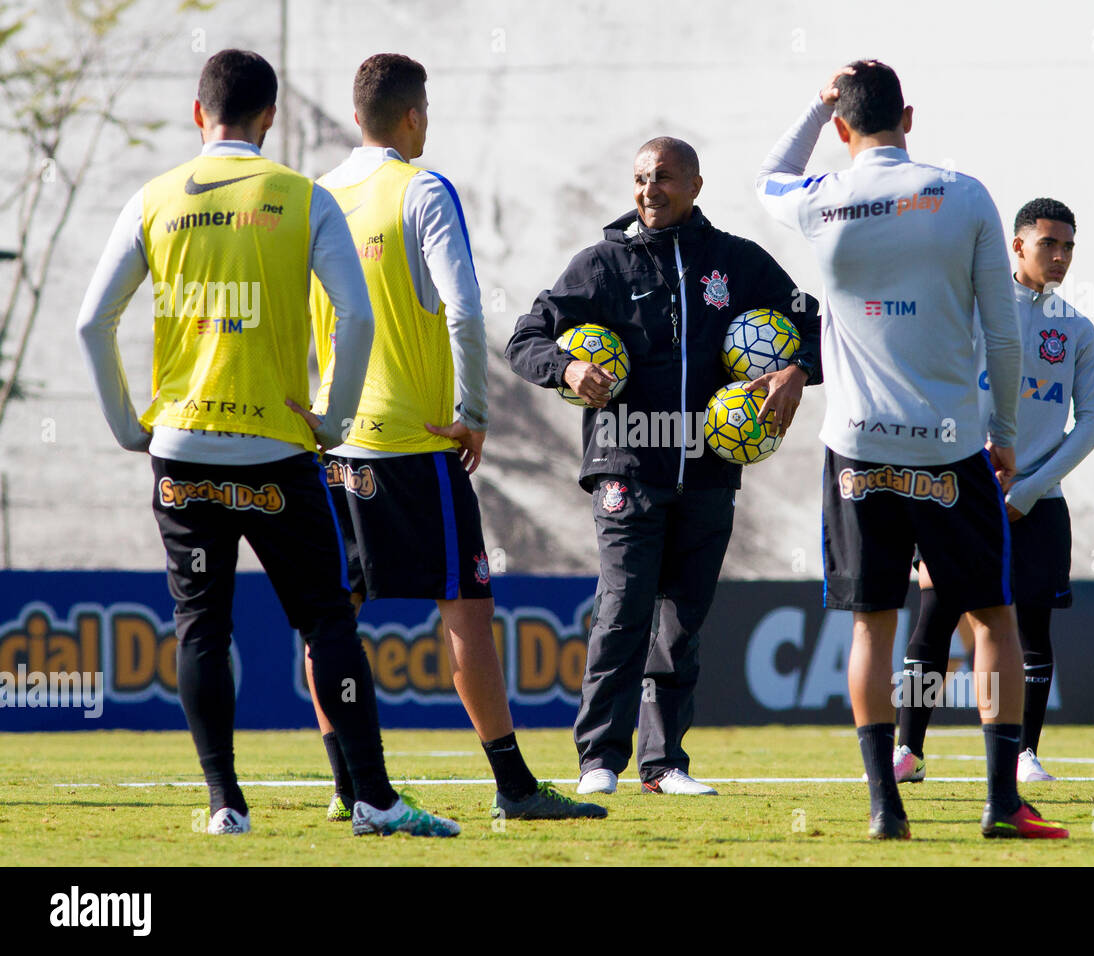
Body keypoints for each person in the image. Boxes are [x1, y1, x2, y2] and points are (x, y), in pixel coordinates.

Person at [76, 49, 457, 837]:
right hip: (276, 450)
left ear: (197, 113)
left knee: (201, 627)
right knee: (325, 622)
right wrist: (334, 419)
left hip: (182, 449)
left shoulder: (153, 198)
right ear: (271, 117)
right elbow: (354, 316)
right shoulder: (300, 196)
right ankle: (376, 801)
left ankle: (224, 805)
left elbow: (92, 320)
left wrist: (127, 424)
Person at [757, 59, 1068, 839]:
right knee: (995, 621)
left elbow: (770, 176)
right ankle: (1002, 804)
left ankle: (883, 808)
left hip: (856, 446)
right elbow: (1001, 330)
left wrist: (813, 103)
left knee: (872, 624)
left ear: (840, 128)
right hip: (951, 446)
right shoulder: (962, 195)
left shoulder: (820, 200)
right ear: (911, 116)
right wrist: (1004, 436)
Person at [303, 53, 605, 821]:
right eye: (426, 110)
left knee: (332, 619)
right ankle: (512, 788)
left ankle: (350, 789)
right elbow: (466, 309)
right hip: (415, 438)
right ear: (411, 115)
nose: (427, 123)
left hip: (334, 441)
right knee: (466, 606)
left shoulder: (321, 195)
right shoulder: (423, 189)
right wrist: (474, 412)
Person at [506, 137, 821, 796]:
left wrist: (796, 368)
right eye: (642, 179)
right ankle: (598, 759)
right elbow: (525, 339)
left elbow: (817, 329)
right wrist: (567, 367)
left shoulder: (737, 263)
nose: (651, 190)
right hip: (624, 466)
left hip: (709, 472)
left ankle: (665, 764)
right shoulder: (600, 266)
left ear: (696, 185)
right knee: (623, 610)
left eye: (666, 178)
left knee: (682, 622)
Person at [894, 198, 1094, 785]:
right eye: (1048, 245)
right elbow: (931, 391)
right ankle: (907, 752)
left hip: (1038, 503)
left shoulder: (1077, 328)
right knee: (934, 617)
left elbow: (1091, 423)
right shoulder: (969, 312)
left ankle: (1023, 753)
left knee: (1032, 627)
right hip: (957, 493)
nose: (1060, 257)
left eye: (1068, 247)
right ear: (1017, 246)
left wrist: (1031, 489)